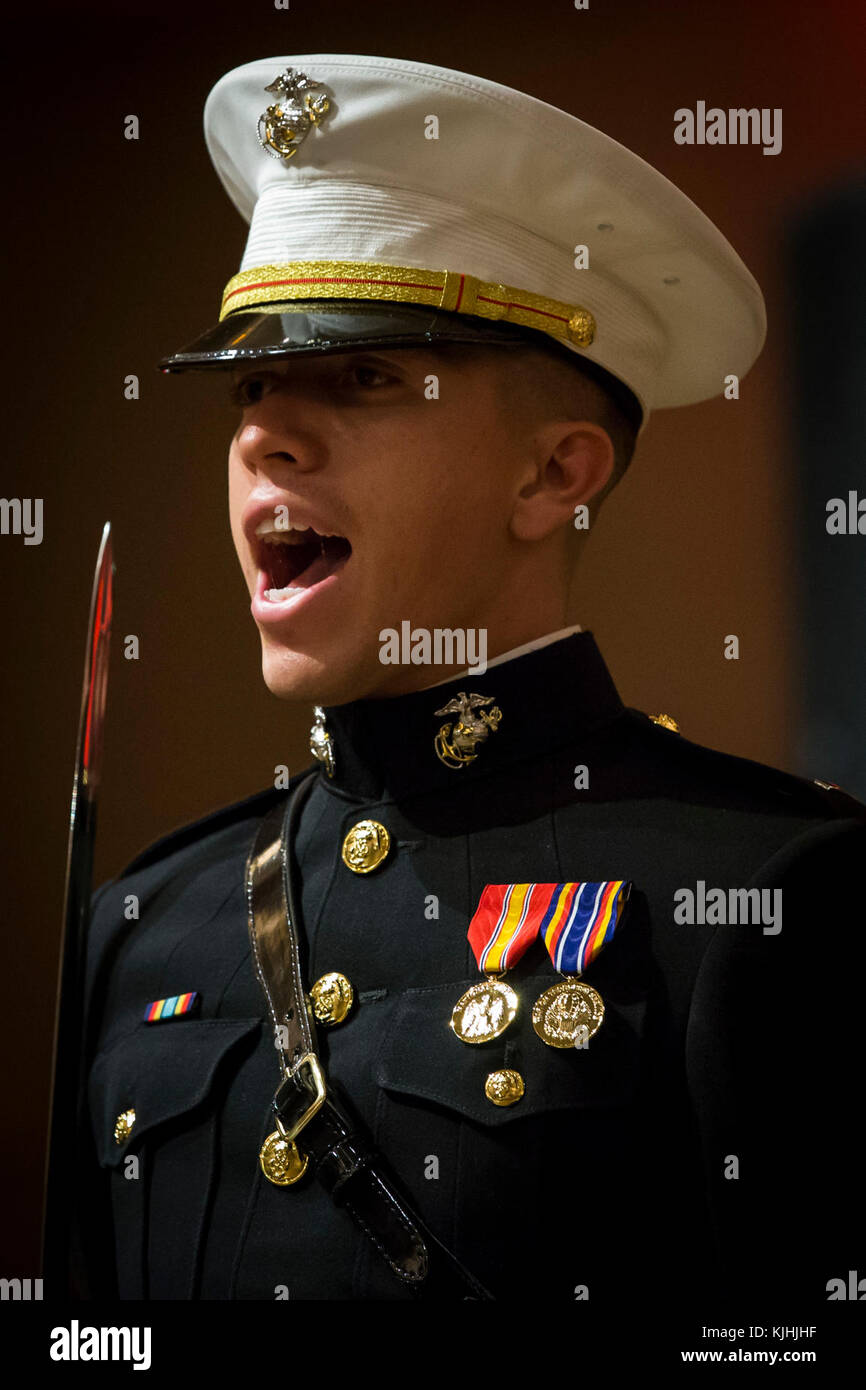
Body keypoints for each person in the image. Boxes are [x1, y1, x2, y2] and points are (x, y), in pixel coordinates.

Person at [76, 53, 864, 1306]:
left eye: (364, 376)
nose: (266, 434)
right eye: (254, 385)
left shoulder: (760, 893)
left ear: (553, 476)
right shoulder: (139, 923)